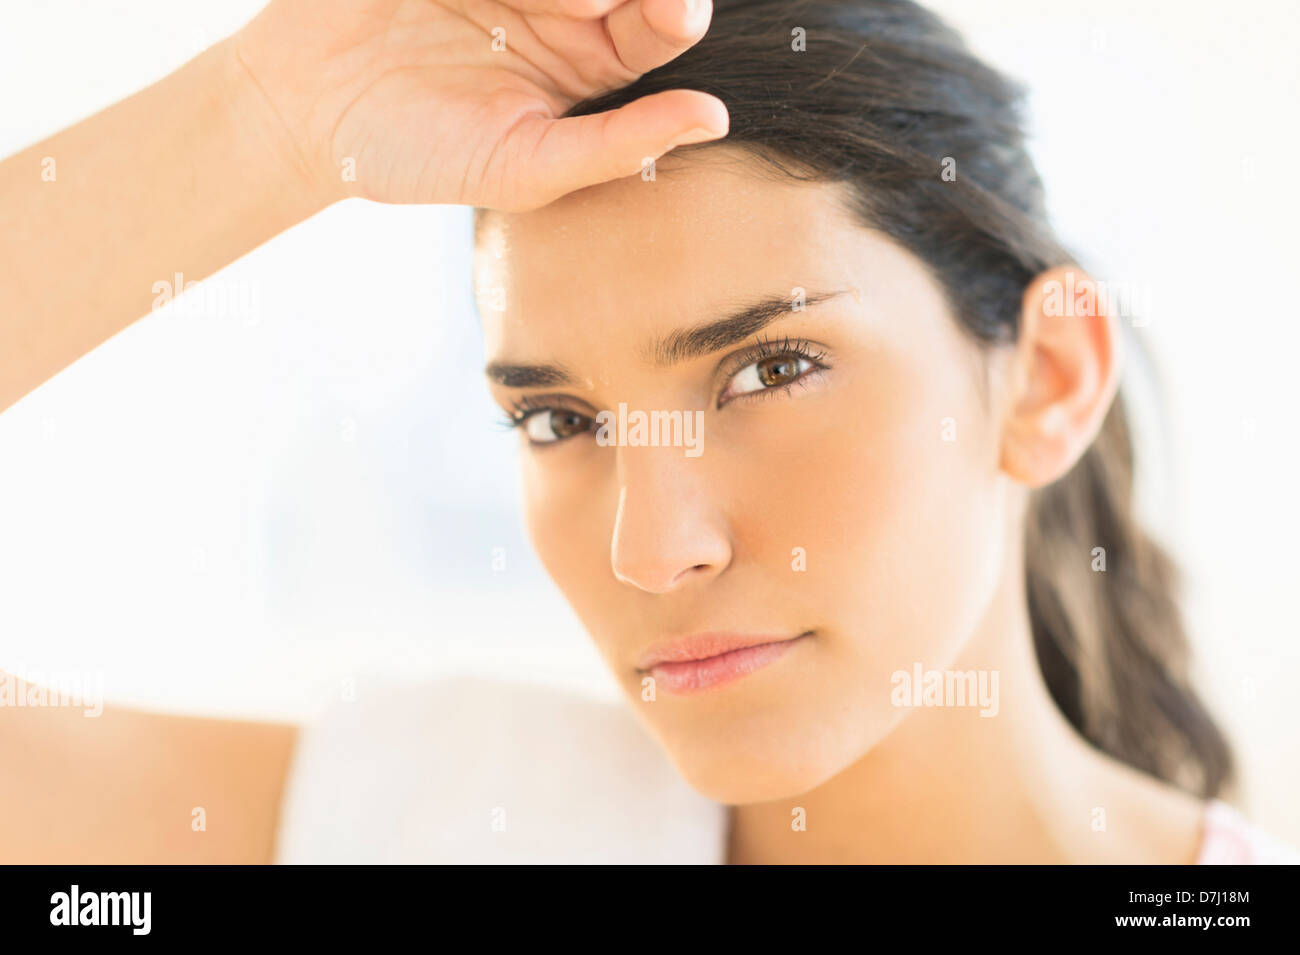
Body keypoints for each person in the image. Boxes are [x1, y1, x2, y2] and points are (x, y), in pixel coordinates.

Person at [0, 0, 1293, 864]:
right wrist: (259, 122)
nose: (651, 547)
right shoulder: (464, 817)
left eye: (768, 368)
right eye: (558, 418)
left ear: (1050, 377)